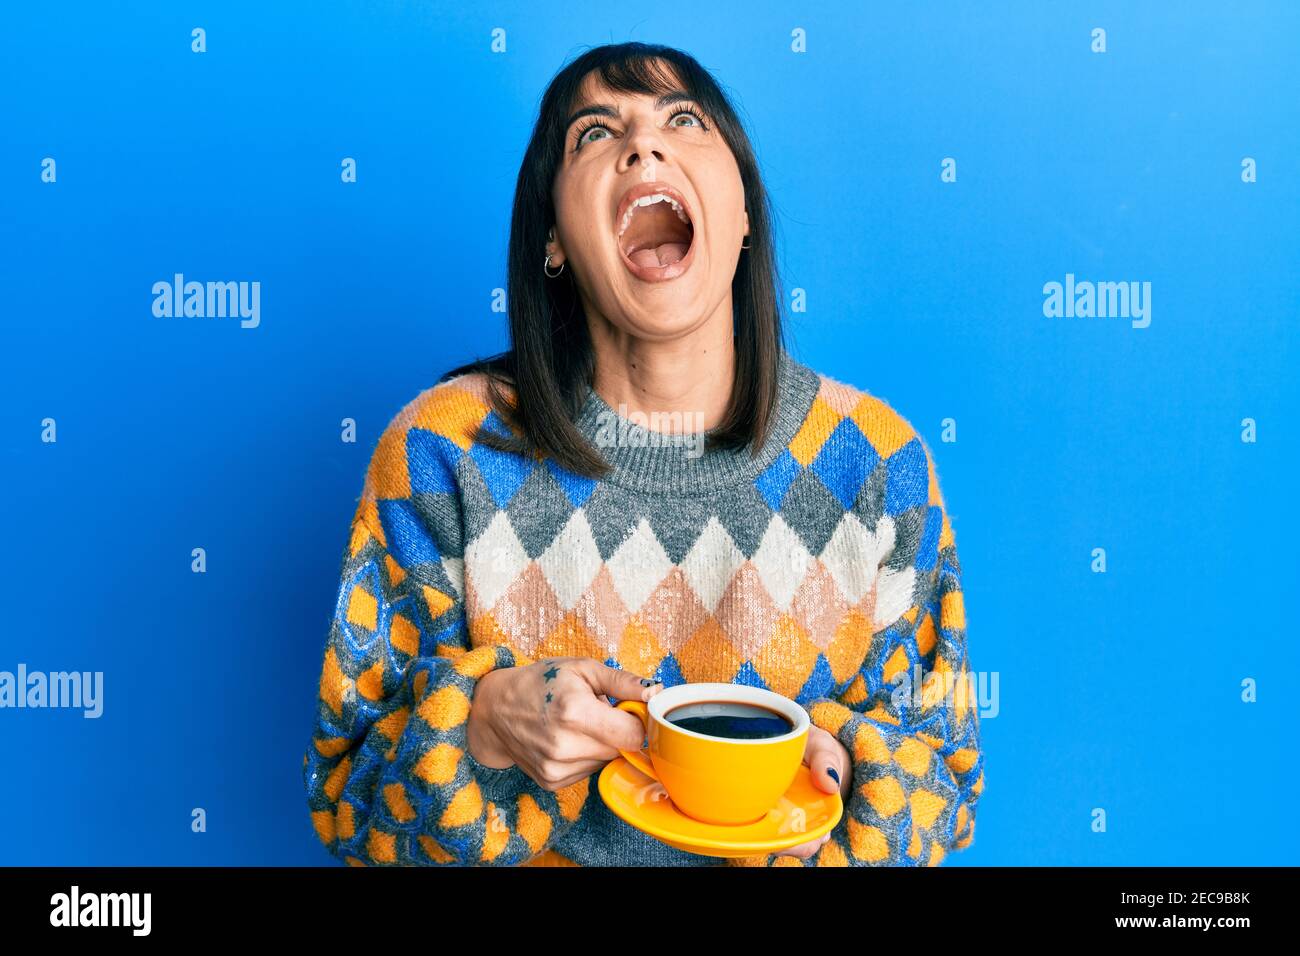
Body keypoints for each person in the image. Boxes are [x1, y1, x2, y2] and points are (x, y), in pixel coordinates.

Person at [303, 42, 984, 866]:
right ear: (553, 236)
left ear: (740, 217)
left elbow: (942, 789)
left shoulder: (872, 463)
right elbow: (347, 810)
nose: (643, 144)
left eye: (684, 119)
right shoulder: (442, 455)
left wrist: (832, 772)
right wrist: (479, 727)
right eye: (594, 133)